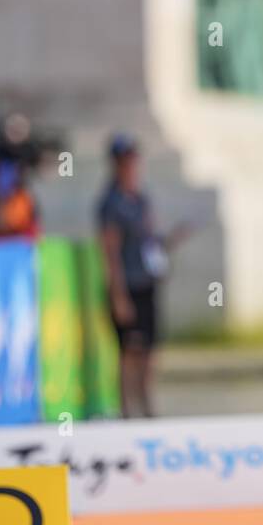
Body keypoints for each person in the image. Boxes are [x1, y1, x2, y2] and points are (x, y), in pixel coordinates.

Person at [96, 135, 189, 419]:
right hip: (128, 284)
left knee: (149, 350)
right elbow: (110, 252)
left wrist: (170, 240)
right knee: (129, 352)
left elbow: (149, 242)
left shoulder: (140, 198)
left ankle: (147, 406)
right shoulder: (111, 203)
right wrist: (118, 295)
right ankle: (127, 411)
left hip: (147, 282)